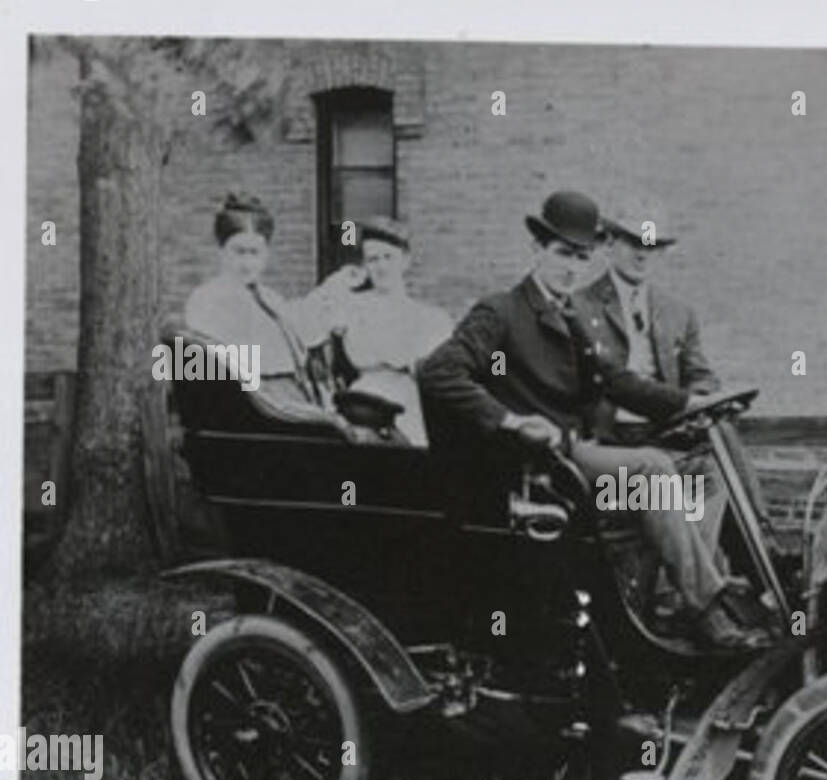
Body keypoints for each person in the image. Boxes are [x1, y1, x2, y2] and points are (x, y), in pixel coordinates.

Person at [418, 190, 770, 650]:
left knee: (704, 472)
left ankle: (679, 597)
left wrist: (690, 404)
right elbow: (437, 372)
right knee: (652, 468)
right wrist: (509, 420)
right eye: (563, 253)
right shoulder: (501, 312)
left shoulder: (568, 318)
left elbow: (617, 382)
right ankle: (707, 605)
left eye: (581, 258)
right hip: (540, 472)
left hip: (578, 465)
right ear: (537, 250)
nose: (570, 267)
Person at [575, 195, 770, 582]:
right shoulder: (580, 307)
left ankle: (702, 583)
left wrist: (701, 402)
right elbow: (610, 380)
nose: (643, 255)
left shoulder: (677, 311)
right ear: (609, 243)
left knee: (717, 448)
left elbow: (702, 375)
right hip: (613, 441)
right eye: (634, 243)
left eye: (653, 246)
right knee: (716, 449)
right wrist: (688, 403)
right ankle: (755, 560)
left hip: (668, 434)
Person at [183, 193, 364, 438]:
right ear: (221, 251)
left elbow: (298, 327)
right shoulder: (209, 299)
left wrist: (334, 289)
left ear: (266, 253)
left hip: (286, 401)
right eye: (239, 252)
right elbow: (230, 373)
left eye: (254, 253)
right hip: (257, 411)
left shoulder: (269, 298)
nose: (247, 263)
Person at [294, 216, 453, 446]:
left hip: (408, 405)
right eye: (373, 259)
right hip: (362, 405)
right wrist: (337, 282)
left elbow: (439, 373)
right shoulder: (351, 306)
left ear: (405, 260)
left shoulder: (429, 317)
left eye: (388, 257)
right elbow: (306, 330)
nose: (381, 266)